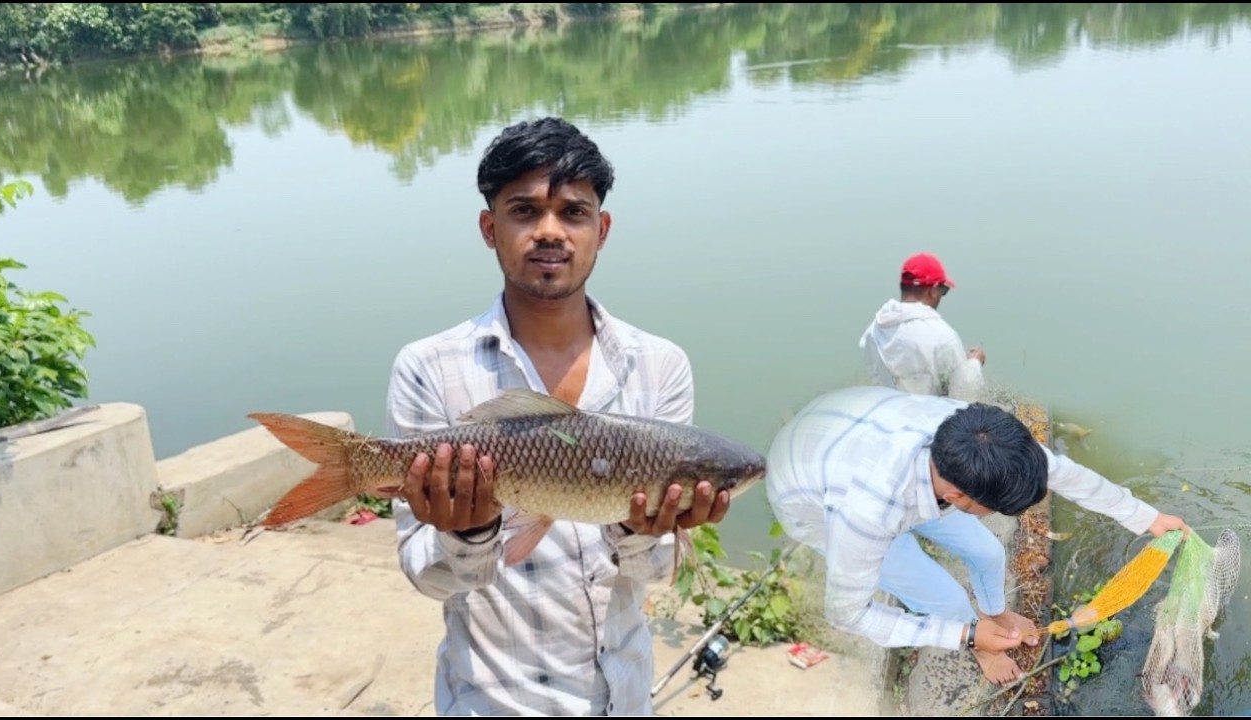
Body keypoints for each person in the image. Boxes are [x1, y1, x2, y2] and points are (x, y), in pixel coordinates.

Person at [385, 116, 733, 716]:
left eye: (572, 213)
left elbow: (652, 572)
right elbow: (426, 576)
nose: (551, 232)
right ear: (490, 229)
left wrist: (649, 530)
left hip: (623, 694)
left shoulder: (661, 366)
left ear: (601, 229)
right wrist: (465, 533)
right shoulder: (428, 367)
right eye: (525, 211)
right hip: (493, 700)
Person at [763, 385, 1188, 685]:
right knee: (945, 601)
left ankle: (995, 617)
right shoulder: (867, 512)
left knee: (987, 551)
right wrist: (964, 635)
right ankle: (983, 645)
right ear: (959, 497)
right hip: (814, 496)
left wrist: (1146, 517)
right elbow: (847, 614)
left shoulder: (981, 438)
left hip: (848, 426)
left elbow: (1063, 472)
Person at [859, 252, 986, 402]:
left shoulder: (874, 329)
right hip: (928, 421)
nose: (941, 297)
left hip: (886, 415)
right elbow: (965, 393)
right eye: (943, 291)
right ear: (933, 290)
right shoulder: (942, 335)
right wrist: (974, 363)